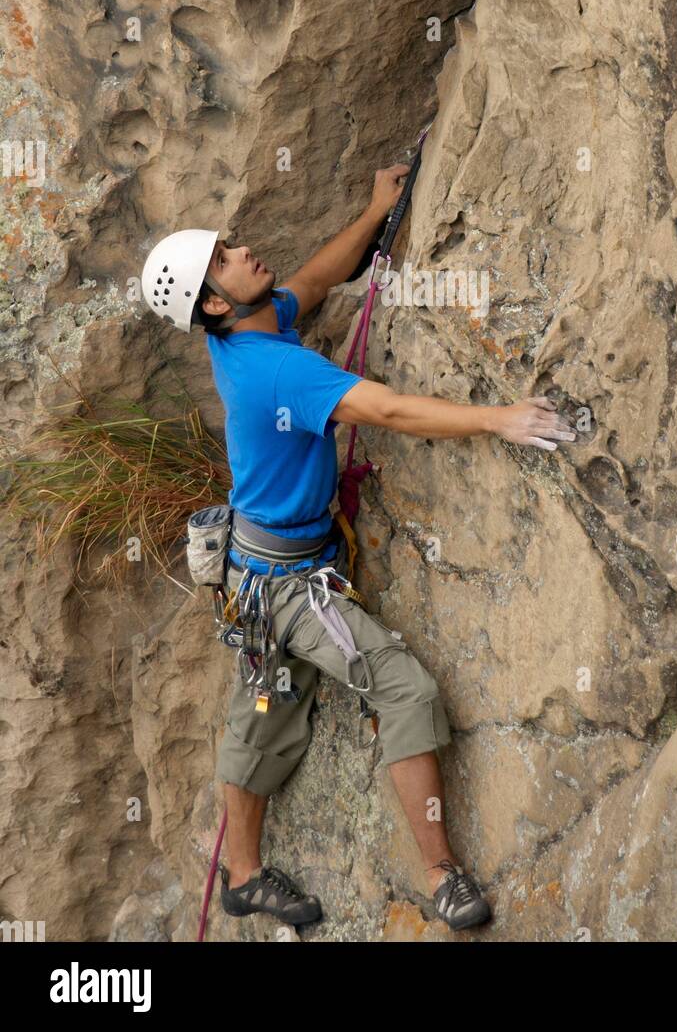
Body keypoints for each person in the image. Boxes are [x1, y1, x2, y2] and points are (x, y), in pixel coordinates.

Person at [141, 163, 576, 933]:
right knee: (403, 688)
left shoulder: (251, 330)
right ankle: (441, 876)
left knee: (264, 705)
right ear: (212, 300)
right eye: (226, 257)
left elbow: (313, 279)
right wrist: (500, 419)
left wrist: (377, 208)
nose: (245, 251)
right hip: (289, 583)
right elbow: (393, 410)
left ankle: (242, 876)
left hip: (256, 567)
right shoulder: (280, 369)